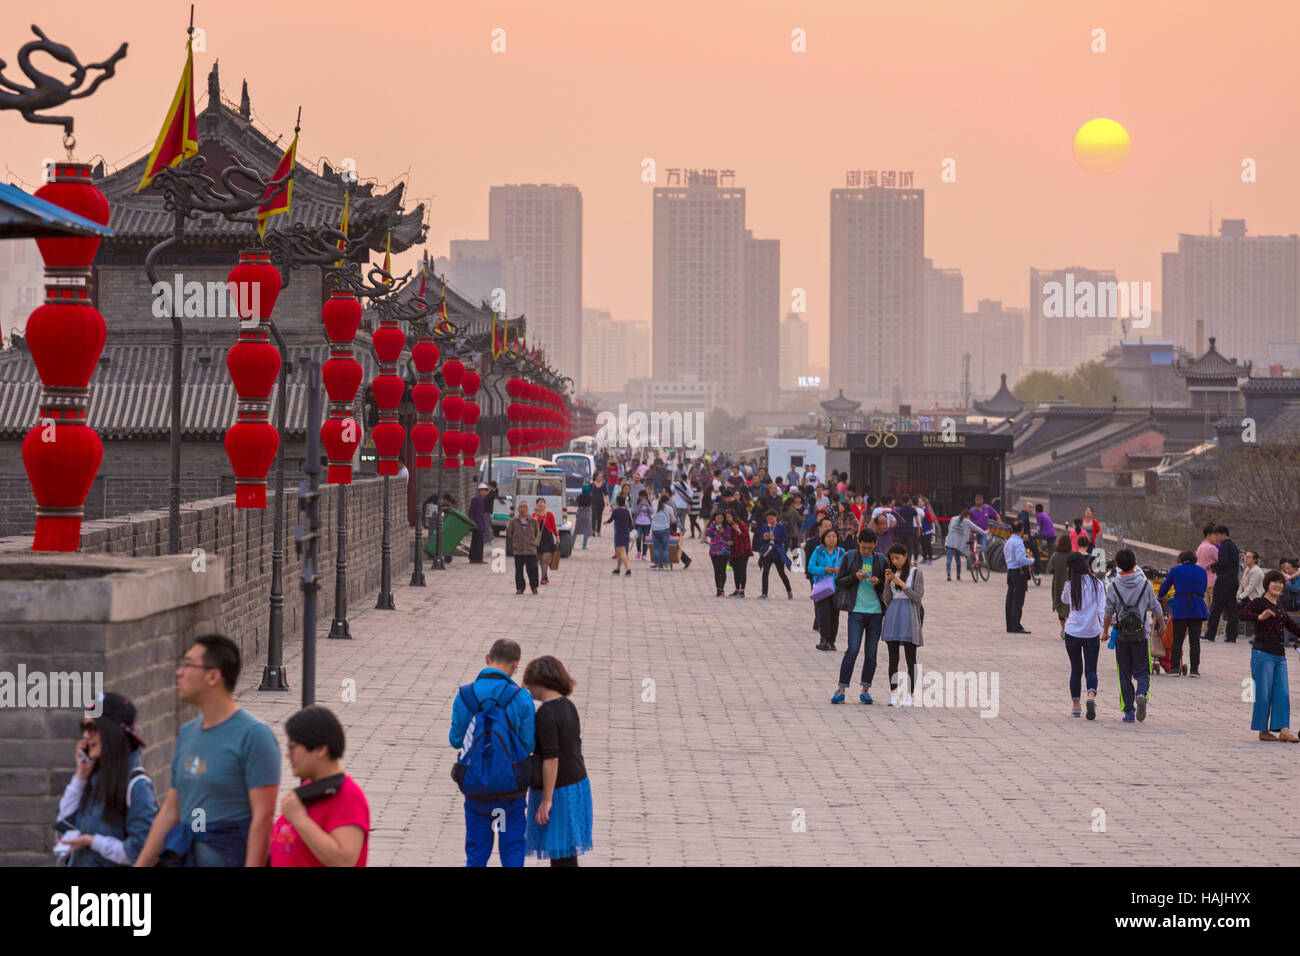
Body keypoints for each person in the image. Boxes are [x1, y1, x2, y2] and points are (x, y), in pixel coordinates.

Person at [134, 635, 280, 867]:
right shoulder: (187, 733)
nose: (179, 673)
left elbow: (262, 818)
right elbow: (171, 810)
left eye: (188, 665)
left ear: (213, 676)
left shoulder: (255, 736)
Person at [449, 639, 536, 865]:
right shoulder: (521, 697)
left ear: (487, 659)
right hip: (510, 788)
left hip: (476, 785)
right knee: (513, 848)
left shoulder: (465, 695)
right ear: (516, 664)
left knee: (477, 851)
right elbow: (528, 745)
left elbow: (456, 740)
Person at [54, 692, 158, 866]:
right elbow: (64, 825)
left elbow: (142, 852)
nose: (86, 736)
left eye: (93, 728)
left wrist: (92, 841)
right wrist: (81, 775)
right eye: (84, 728)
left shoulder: (137, 785)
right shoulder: (94, 778)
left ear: (113, 731)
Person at [270, 706, 369, 867]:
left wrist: (299, 819)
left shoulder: (347, 796)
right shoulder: (312, 791)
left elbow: (344, 861)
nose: (288, 754)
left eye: (292, 747)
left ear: (320, 749)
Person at [522, 656, 594, 865]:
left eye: (529, 682)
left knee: (561, 855)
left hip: (559, 789)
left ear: (539, 681)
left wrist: (546, 799)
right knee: (567, 853)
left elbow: (551, 759)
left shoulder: (545, 713)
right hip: (577, 783)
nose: (527, 688)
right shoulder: (568, 706)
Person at [1104, 549, 1164, 723]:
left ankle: (1129, 711)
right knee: (1143, 671)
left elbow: (1108, 611)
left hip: (1122, 634)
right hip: (1141, 634)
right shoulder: (1145, 584)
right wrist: (1163, 623)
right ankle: (1141, 694)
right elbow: (1155, 606)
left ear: (1118, 566)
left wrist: (1105, 631)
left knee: (1124, 674)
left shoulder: (1113, 585)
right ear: (1135, 563)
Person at [1240, 571, 1300, 741]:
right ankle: (1263, 730)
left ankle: (1283, 729)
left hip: (1280, 656)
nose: (1278, 585)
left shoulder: (1279, 605)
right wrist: (1259, 617)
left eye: (1280, 582)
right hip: (1262, 654)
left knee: (1282, 692)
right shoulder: (1259, 602)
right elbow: (1242, 614)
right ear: (1267, 584)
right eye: (1274, 582)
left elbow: (1290, 625)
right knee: (1263, 694)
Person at [831, 528, 887, 704]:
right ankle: (841, 689)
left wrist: (878, 583)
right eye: (863, 548)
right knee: (853, 649)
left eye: (869, 548)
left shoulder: (880, 560)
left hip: (876, 612)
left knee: (871, 653)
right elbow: (839, 581)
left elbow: (887, 585)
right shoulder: (850, 557)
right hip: (856, 610)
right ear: (859, 543)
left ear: (875, 545)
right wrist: (855, 577)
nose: (866, 551)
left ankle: (865, 689)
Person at [1060, 553, 1104, 720]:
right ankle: (1091, 696)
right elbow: (1102, 609)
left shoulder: (1070, 584)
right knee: (1091, 669)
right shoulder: (1097, 584)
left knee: (1076, 670)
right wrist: (1104, 628)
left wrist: (1067, 581)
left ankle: (1076, 706)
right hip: (1092, 632)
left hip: (1072, 631)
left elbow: (1064, 600)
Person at [880, 542, 924, 707]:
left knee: (910, 657)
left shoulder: (916, 573)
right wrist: (887, 582)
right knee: (893, 658)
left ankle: (911, 694)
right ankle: (893, 692)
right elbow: (887, 599)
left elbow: (918, 598)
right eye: (892, 559)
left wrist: (902, 584)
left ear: (906, 556)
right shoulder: (892, 574)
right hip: (893, 615)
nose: (895, 561)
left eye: (898, 558)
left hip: (909, 615)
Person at [1157, 550, 1209, 677]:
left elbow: (1164, 588)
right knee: (1195, 640)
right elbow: (1204, 588)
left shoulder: (1175, 570)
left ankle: (1174, 668)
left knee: (1178, 638)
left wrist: (1159, 597)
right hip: (1197, 605)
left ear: (1181, 560)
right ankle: (1194, 670)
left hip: (1181, 606)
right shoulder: (1202, 571)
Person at [810, 528, 846, 651]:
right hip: (822, 588)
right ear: (824, 539)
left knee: (834, 615)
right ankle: (824, 640)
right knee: (824, 614)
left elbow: (846, 568)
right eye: (829, 536)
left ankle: (832, 641)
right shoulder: (818, 551)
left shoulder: (841, 552)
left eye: (834, 536)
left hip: (837, 588)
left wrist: (839, 570)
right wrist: (824, 569)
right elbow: (811, 567)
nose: (831, 539)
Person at [1206, 525, 1241, 643]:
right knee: (1231, 608)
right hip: (1233, 579)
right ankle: (1232, 635)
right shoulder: (1234, 546)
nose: (1215, 538)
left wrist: (1212, 566)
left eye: (1216, 535)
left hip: (1224, 579)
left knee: (1216, 607)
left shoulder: (1225, 546)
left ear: (1222, 534)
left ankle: (1210, 633)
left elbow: (1223, 563)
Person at [1004, 520, 1035, 634]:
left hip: (1011, 570)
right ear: (1022, 530)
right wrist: (1031, 560)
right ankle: (1016, 625)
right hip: (1019, 571)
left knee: (1010, 599)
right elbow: (1020, 558)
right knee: (1018, 600)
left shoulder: (1009, 541)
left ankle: (1010, 625)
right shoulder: (1018, 543)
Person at [757, 510, 793, 599]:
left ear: (776, 518)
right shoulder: (765, 527)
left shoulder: (780, 526)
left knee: (781, 573)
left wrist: (775, 538)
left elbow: (785, 539)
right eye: (768, 519)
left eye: (772, 519)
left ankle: (789, 591)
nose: (770, 521)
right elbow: (761, 539)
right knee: (765, 572)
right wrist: (765, 538)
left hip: (777, 552)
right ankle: (764, 593)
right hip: (767, 553)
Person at [508, 500, 542, 595]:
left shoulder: (533, 521)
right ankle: (520, 588)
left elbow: (537, 533)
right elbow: (509, 533)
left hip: (531, 549)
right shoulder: (513, 521)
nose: (523, 509)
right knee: (519, 570)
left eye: (524, 507)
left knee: (533, 569)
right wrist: (515, 543)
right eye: (521, 507)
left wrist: (534, 544)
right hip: (518, 550)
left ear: (527, 509)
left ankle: (534, 587)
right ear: (518, 509)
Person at [1047, 534, 1074, 635]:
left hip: (1058, 583)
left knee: (1060, 603)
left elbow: (1049, 569)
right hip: (1071, 583)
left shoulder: (1055, 556)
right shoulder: (1073, 555)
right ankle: (1070, 627)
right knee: (1070, 605)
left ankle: (1063, 627)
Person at [1195, 524, 1219, 627]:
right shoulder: (1211, 548)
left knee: (1204, 607)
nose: (1216, 538)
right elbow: (1221, 562)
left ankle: (1204, 628)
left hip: (1202, 581)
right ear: (1209, 535)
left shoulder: (1200, 547)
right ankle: (1218, 630)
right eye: (1215, 535)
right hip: (1212, 580)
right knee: (1215, 608)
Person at [705, 511, 733, 597]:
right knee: (716, 570)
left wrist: (723, 532)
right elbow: (707, 533)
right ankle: (718, 588)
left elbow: (730, 536)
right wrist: (713, 526)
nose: (719, 520)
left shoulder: (727, 526)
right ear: (714, 518)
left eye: (721, 518)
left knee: (722, 570)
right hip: (714, 550)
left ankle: (722, 588)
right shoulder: (711, 526)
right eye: (718, 518)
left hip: (724, 551)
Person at [726, 510, 753, 597]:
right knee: (735, 570)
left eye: (729, 517)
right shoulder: (727, 526)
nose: (727, 519)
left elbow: (744, 536)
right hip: (733, 550)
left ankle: (742, 590)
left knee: (742, 570)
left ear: (733, 516)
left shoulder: (741, 524)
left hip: (743, 550)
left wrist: (737, 529)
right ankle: (737, 589)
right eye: (726, 517)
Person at [944, 508, 975, 581]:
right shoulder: (966, 523)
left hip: (950, 541)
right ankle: (958, 575)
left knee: (949, 559)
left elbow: (949, 528)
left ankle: (948, 574)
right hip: (958, 543)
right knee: (958, 559)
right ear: (967, 516)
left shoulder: (954, 518)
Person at [607, 494, 633, 576]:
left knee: (622, 552)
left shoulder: (616, 511)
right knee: (618, 552)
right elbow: (630, 523)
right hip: (626, 533)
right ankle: (617, 569)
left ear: (617, 503)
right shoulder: (626, 511)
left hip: (619, 533)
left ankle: (628, 569)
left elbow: (610, 520)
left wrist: (605, 522)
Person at [535, 498, 559, 585]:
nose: (540, 504)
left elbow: (553, 527)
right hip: (538, 541)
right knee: (540, 559)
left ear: (545, 504)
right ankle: (545, 576)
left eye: (542, 502)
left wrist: (557, 537)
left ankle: (543, 578)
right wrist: (536, 516)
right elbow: (532, 527)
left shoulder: (549, 514)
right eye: (538, 503)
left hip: (548, 540)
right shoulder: (534, 515)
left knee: (545, 559)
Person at [650, 493, 676, 570]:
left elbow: (653, 517)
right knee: (665, 548)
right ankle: (666, 565)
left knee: (657, 548)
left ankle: (657, 565)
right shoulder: (669, 508)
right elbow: (673, 520)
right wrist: (668, 523)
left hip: (655, 530)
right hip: (664, 529)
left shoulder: (655, 508)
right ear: (666, 501)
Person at [467, 483, 491, 563]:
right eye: (483, 490)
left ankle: (474, 558)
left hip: (480, 522)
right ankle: (477, 558)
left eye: (485, 491)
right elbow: (471, 511)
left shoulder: (481, 500)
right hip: (477, 523)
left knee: (477, 541)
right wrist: (472, 522)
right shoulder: (476, 499)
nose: (484, 492)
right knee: (477, 542)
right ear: (480, 491)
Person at [1034, 504, 1057, 575]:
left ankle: (1036, 553)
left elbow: (1038, 526)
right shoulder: (1045, 514)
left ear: (1036, 510)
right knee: (1051, 552)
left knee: (1033, 539)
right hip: (1053, 535)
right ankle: (1051, 569)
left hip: (1046, 534)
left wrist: (1036, 532)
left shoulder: (1039, 515)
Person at [632, 491, 654, 561]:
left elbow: (651, 511)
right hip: (638, 522)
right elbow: (635, 512)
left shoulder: (649, 503)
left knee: (646, 539)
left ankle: (644, 554)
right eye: (641, 496)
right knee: (638, 538)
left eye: (644, 496)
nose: (643, 498)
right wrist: (640, 506)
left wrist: (648, 506)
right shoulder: (637, 503)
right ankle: (639, 551)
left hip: (647, 523)